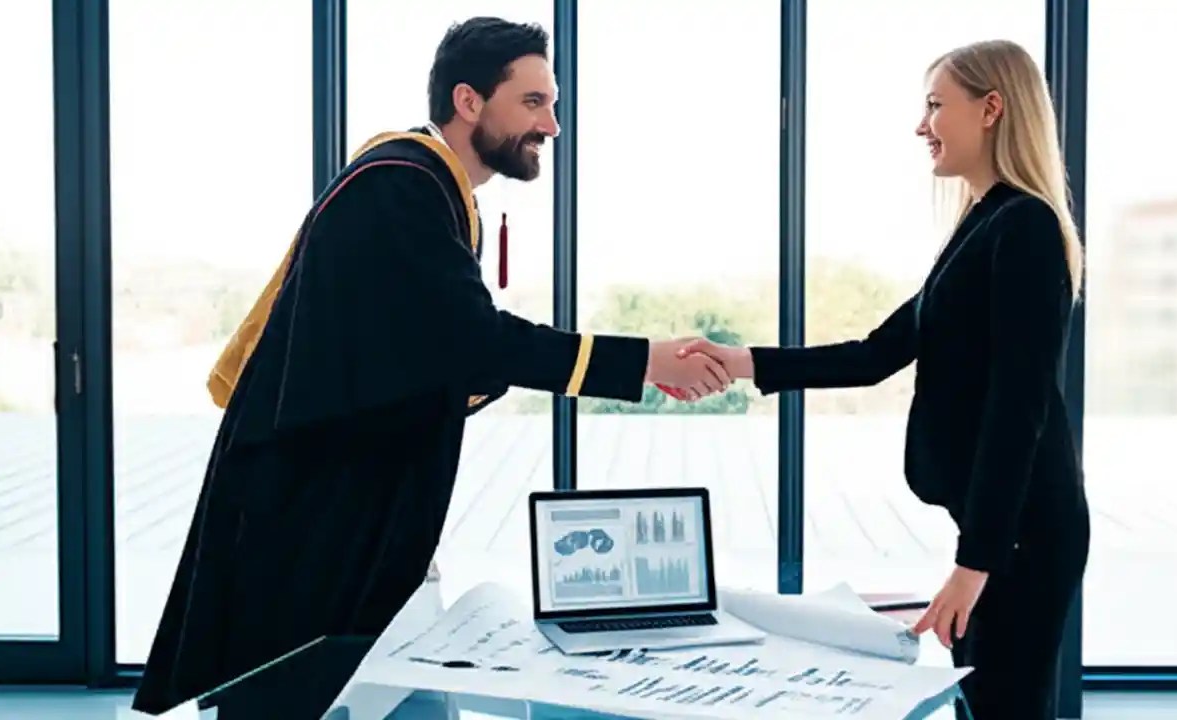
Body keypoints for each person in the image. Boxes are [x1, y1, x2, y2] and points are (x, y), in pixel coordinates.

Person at [131, 17, 733, 715]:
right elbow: (469, 340)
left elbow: (425, 353)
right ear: (468, 100)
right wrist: (644, 361)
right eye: (533, 102)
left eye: (552, 104)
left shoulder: (421, 189)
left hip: (337, 500)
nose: (552, 126)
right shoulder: (400, 186)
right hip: (311, 514)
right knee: (289, 690)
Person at [680, 40, 1090, 720]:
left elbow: (1018, 409)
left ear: (991, 109)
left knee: (1006, 707)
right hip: (1006, 530)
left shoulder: (1025, 227)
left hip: (1024, 535)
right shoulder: (986, 222)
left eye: (935, 106)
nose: (922, 125)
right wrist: (741, 361)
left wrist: (975, 565)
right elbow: (875, 354)